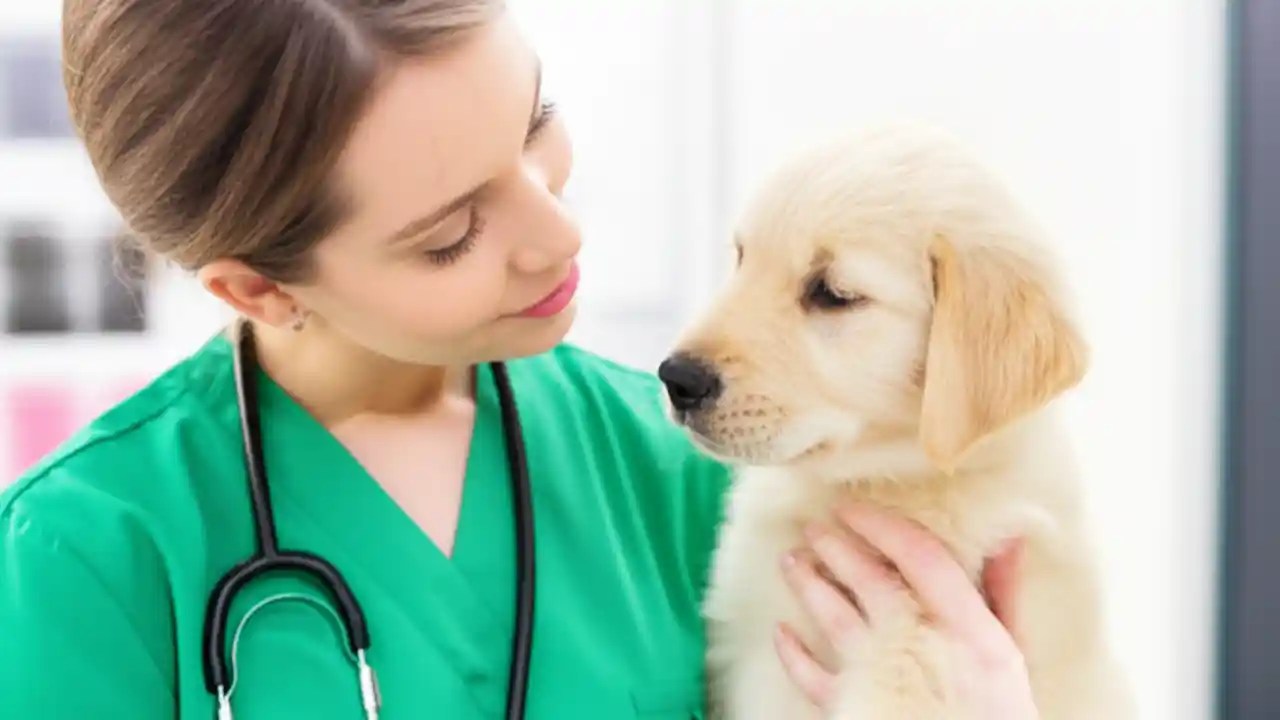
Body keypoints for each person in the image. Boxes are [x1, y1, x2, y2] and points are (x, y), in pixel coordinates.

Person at [0, 1, 1038, 718]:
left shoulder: (697, 470)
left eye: (535, 120)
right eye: (452, 231)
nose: (557, 235)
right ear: (258, 288)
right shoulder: (92, 545)